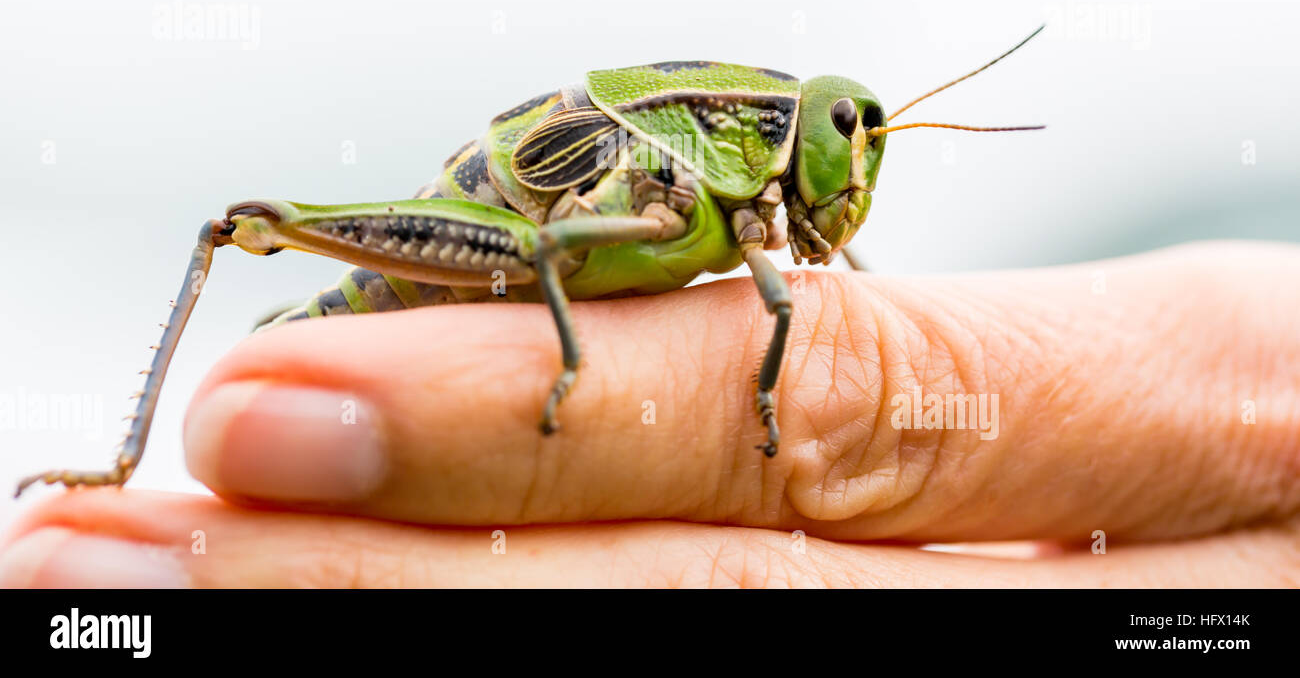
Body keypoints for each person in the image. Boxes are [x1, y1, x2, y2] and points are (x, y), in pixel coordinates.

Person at [2, 241, 1297, 587]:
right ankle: (118, 458)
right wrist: (568, 378)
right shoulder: (691, 169)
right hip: (482, 245)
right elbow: (563, 251)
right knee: (241, 221)